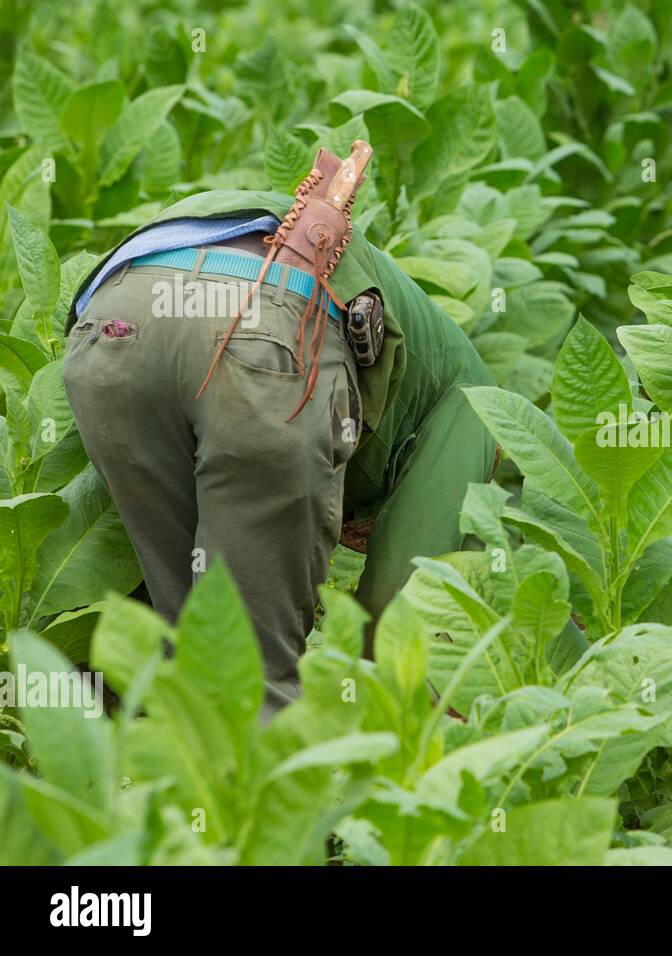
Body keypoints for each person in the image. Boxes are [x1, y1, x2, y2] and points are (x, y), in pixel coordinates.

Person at [63, 143, 496, 713]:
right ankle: (245, 791)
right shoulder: (482, 407)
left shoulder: (427, 349)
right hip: (259, 326)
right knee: (251, 680)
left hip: (110, 327)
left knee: (175, 642)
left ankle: (119, 778)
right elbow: (404, 601)